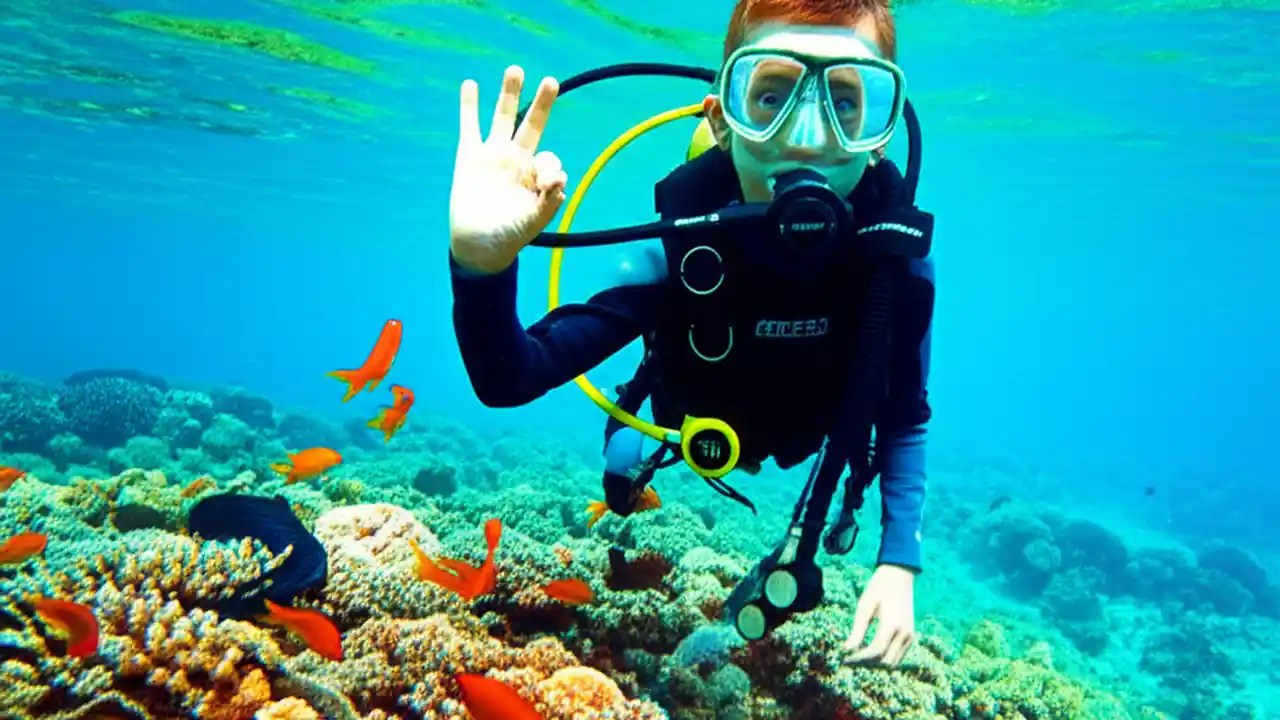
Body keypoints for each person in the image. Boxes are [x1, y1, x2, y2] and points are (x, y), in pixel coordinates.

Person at [448, 0, 935, 669]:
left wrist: (899, 561)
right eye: (770, 95)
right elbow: (509, 378)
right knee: (622, 478)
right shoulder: (675, 253)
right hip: (688, 424)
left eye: (847, 102)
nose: (808, 133)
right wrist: (481, 267)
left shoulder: (896, 267)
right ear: (723, 118)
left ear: (880, 131)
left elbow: (905, 417)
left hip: (812, 442)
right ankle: (626, 438)